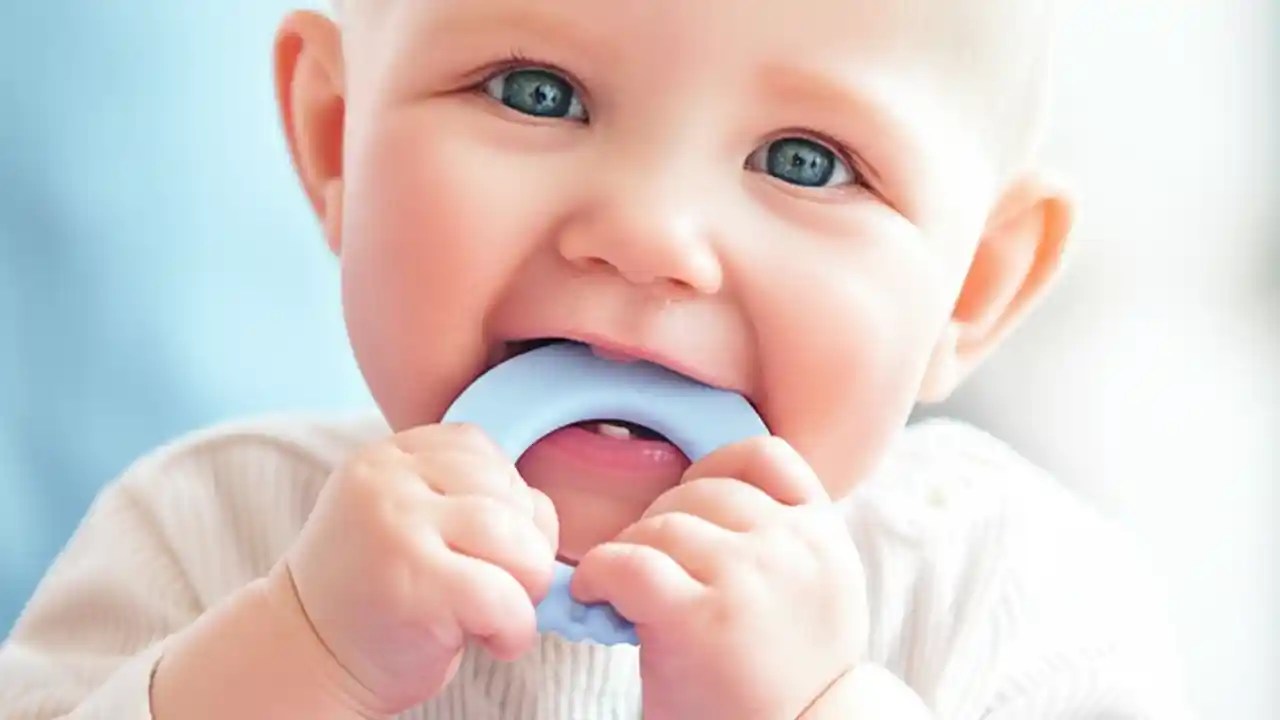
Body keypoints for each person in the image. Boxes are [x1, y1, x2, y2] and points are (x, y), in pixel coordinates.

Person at [0, 1, 1193, 718]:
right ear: (335, 142)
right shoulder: (209, 528)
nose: (647, 235)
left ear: (971, 288)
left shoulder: (1004, 590)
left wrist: (818, 706)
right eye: (538, 92)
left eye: (804, 161)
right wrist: (298, 654)